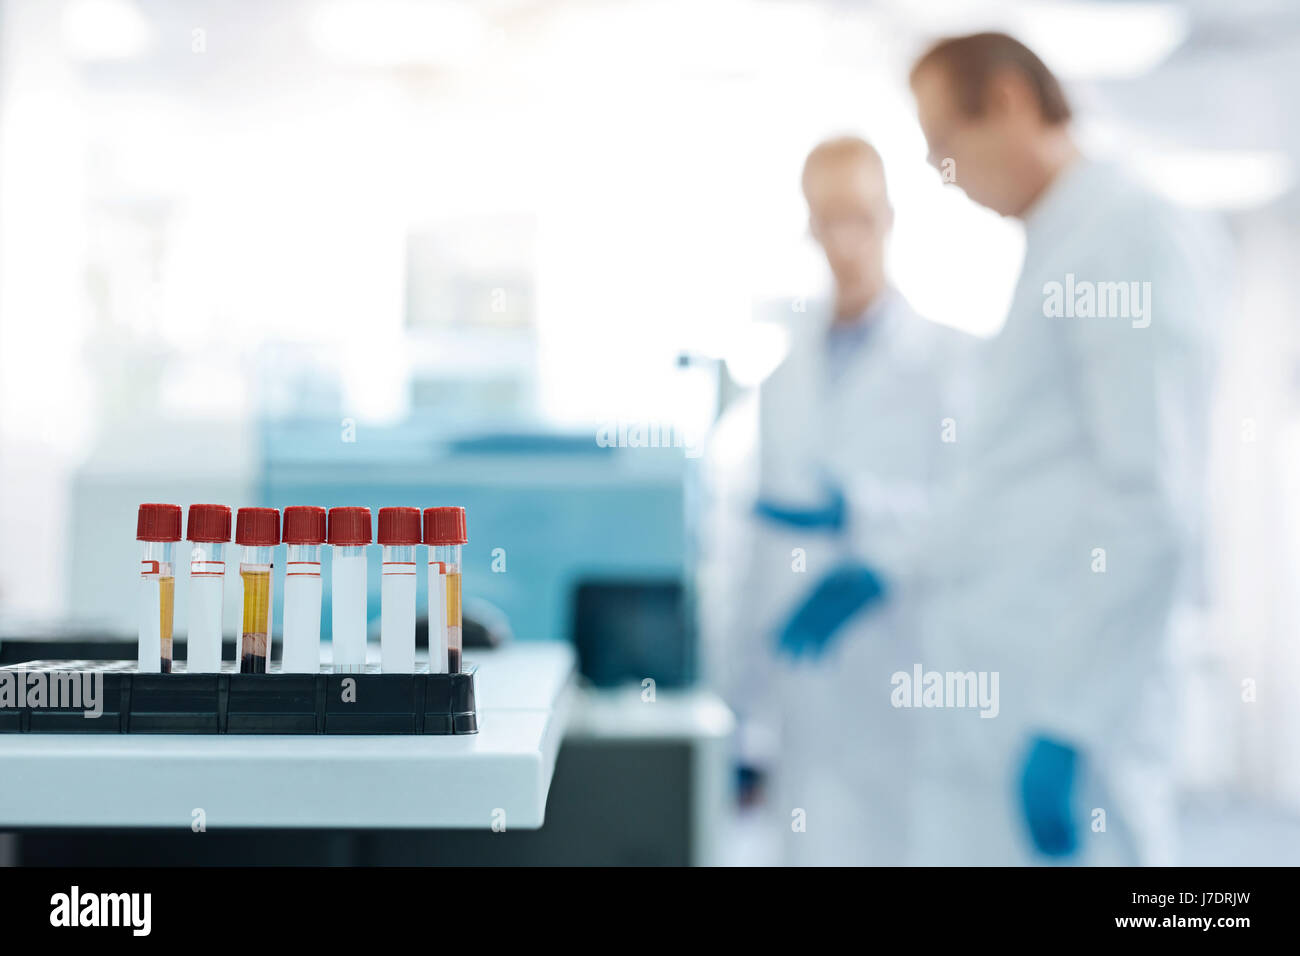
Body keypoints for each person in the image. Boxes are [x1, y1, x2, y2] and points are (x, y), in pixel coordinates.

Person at [904, 32, 1226, 865]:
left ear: (1009, 101)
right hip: (1017, 686)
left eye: (945, 146)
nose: (944, 175)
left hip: (1071, 706)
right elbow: (1018, 485)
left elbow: (1152, 500)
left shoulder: (1127, 235)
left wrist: (1071, 719)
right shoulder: (1055, 244)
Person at [716, 136, 970, 865]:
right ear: (808, 226)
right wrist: (743, 715)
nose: (846, 238)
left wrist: (864, 520)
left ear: (891, 216)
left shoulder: (952, 362)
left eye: (860, 214)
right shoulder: (785, 375)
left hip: (907, 677)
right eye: (828, 217)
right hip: (806, 698)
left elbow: (977, 517)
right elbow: (758, 559)